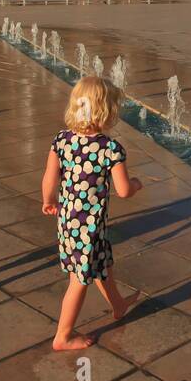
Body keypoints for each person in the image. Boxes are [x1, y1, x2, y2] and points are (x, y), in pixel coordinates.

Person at [41, 77, 142, 350]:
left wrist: (48, 199)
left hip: (67, 220)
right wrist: (136, 185)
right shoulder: (109, 149)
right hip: (90, 226)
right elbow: (122, 191)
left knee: (102, 263)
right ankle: (62, 335)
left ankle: (118, 305)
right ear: (108, 111)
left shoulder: (62, 140)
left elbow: (50, 177)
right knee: (79, 279)